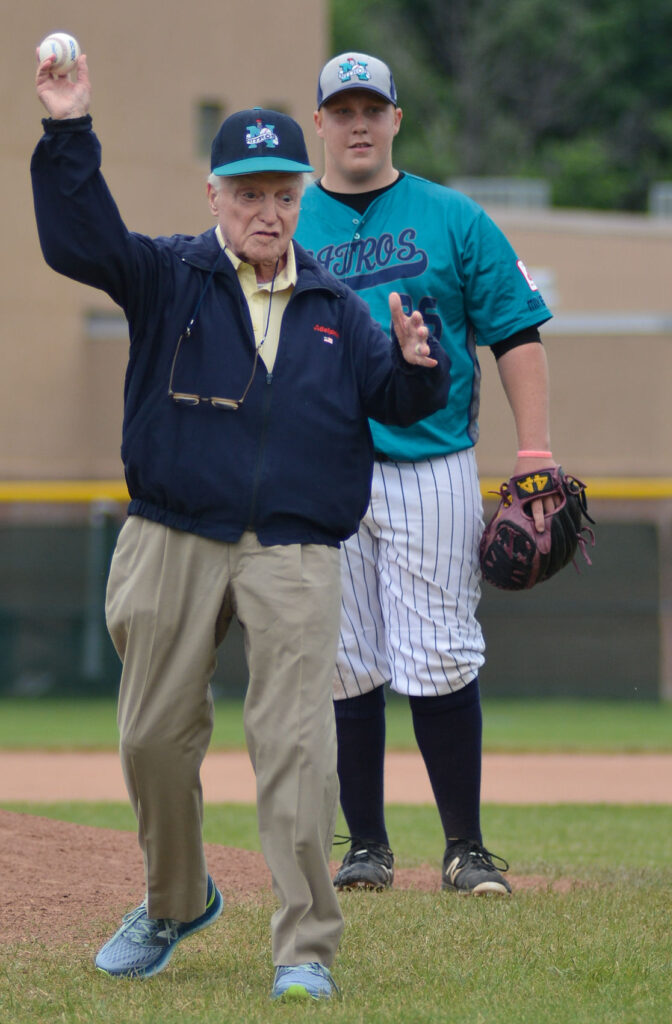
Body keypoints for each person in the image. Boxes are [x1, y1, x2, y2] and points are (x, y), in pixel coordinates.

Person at [32, 52, 451, 1000]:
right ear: (215, 194)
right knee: (151, 738)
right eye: (250, 193)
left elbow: (396, 395)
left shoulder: (338, 309)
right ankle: (177, 900)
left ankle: (304, 948)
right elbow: (79, 239)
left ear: (302, 199)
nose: (269, 212)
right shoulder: (168, 276)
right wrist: (68, 130)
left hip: (296, 550)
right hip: (172, 534)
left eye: (284, 195)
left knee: (296, 747)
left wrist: (420, 366)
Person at [295, 51, 559, 897]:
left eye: (374, 108)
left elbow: (516, 332)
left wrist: (535, 453)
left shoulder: (453, 217)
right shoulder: (288, 222)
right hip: (322, 468)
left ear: (397, 119)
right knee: (345, 660)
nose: (359, 123)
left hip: (430, 462)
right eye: (344, 110)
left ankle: (466, 848)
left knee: (441, 653)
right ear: (322, 124)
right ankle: (366, 846)